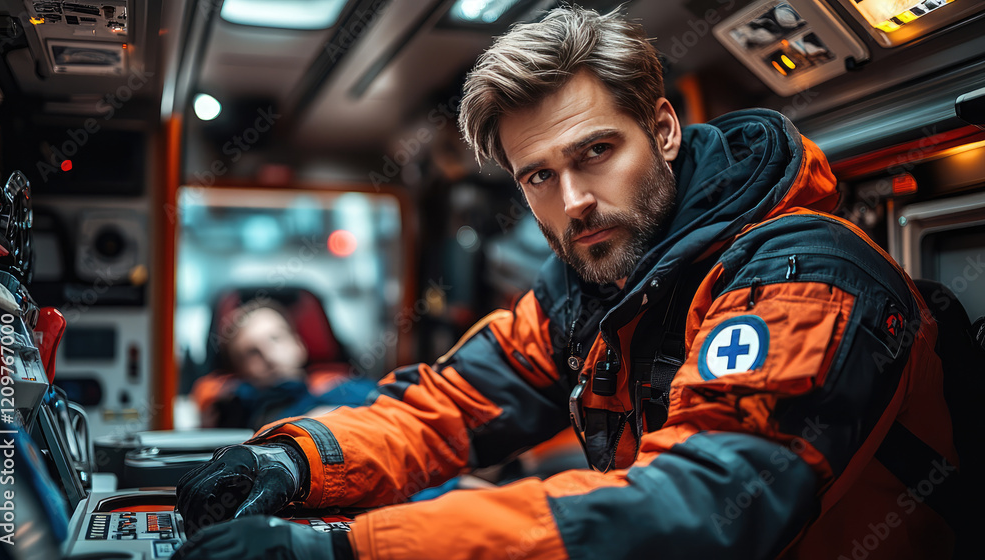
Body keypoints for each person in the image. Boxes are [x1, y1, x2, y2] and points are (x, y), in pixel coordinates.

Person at [173, 7, 961, 559]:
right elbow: (450, 408)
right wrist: (293, 461)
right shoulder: (586, 289)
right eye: (539, 176)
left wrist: (348, 548)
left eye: (594, 153)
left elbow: (702, 513)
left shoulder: (806, 278)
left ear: (662, 129)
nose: (573, 201)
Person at [190, 300, 374, 430]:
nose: (269, 355)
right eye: (252, 352)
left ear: (299, 344)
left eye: (276, 339)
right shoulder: (234, 410)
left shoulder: (351, 388)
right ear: (240, 371)